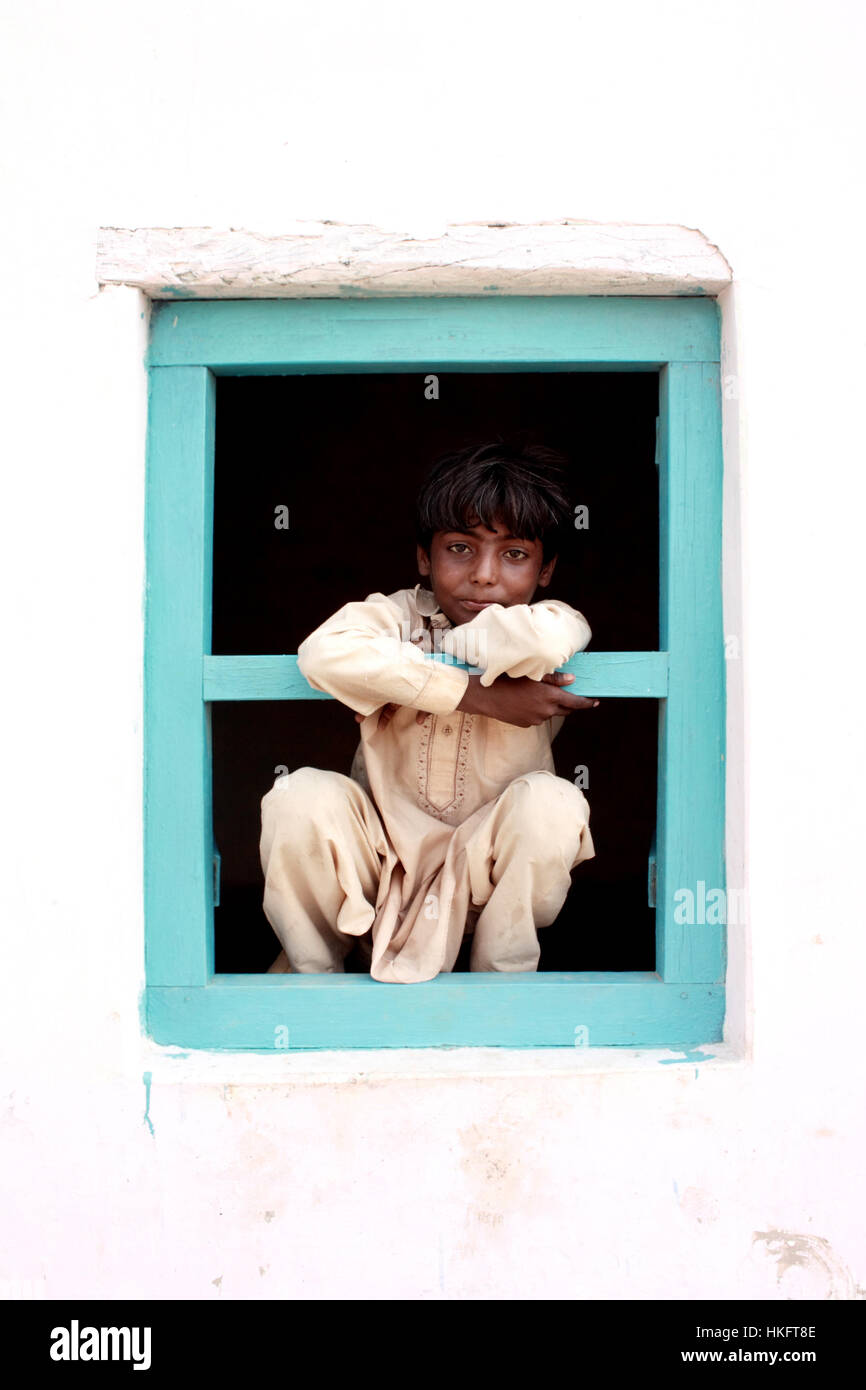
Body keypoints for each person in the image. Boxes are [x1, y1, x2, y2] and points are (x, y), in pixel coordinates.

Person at [260, 440, 598, 983]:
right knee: (298, 797)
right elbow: (323, 653)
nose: (485, 575)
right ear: (425, 557)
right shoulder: (395, 613)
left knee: (553, 805)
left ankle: (500, 986)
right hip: (377, 864)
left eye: (514, 554)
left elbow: (539, 641)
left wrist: (411, 664)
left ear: (546, 569)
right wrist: (479, 695)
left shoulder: (555, 619)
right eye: (460, 548)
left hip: (484, 870)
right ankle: (316, 983)